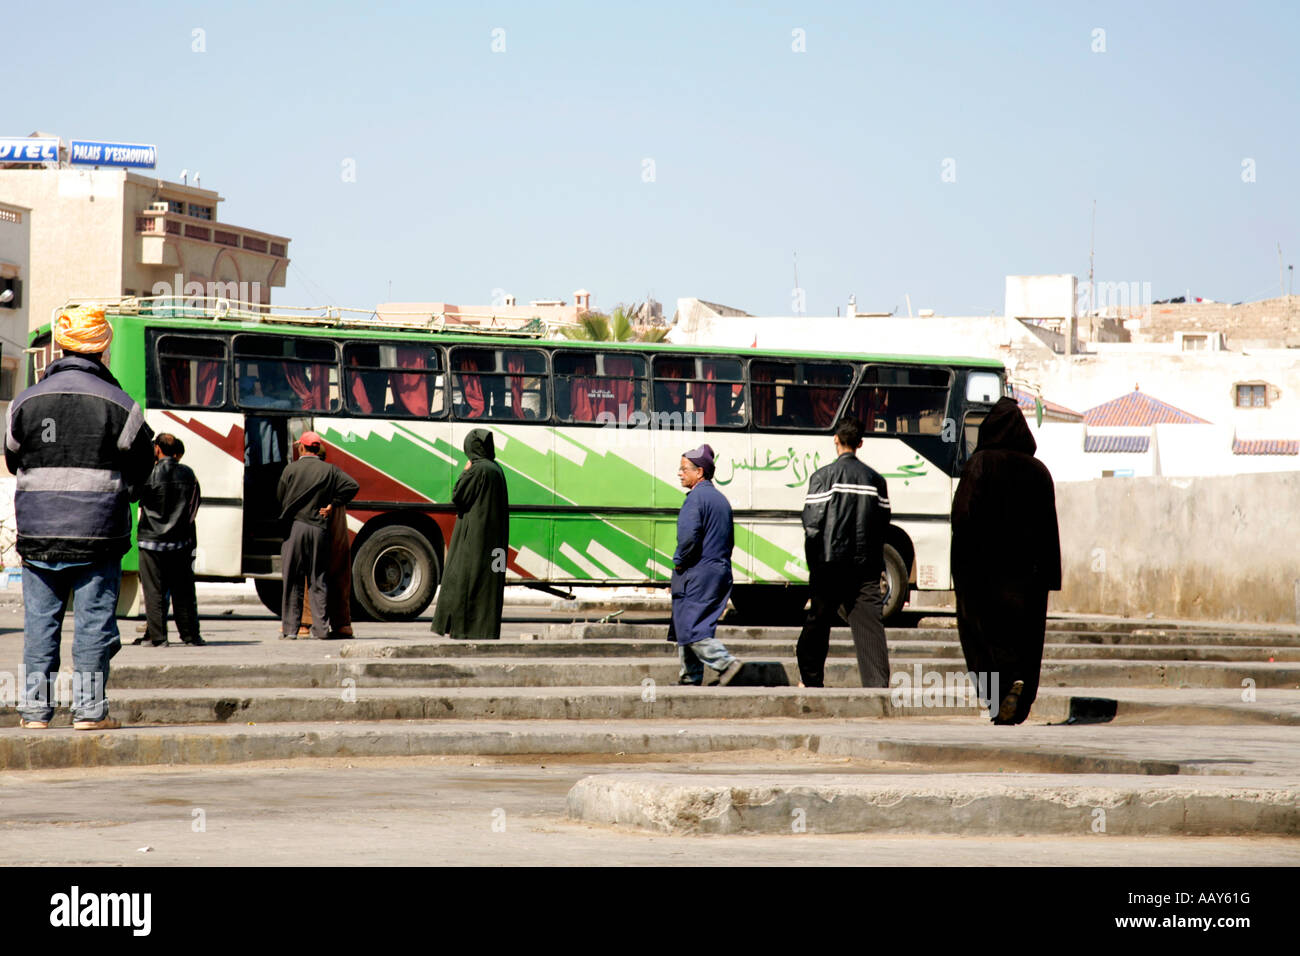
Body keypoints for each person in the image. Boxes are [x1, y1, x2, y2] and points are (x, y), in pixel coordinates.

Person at [5, 305, 155, 730]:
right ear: (102, 348)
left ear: (60, 346)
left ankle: (35, 713)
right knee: (92, 625)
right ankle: (89, 713)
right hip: (98, 535)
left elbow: (14, 461)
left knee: (40, 626)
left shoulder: (25, 401)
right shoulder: (122, 404)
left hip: (37, 533)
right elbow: (142, 472)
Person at [951, 395, 1061, 725]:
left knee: (980, 633)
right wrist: (1050, 576)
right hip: (1029, 577)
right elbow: (1049, 529)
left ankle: (997, 697)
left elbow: (963, 516)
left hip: (984, 572)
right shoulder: (1039, 471)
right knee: (1025, 638)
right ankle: (1018, 693)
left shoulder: (980, 464)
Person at [796, 416, 892, 688]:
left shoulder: (823, 477)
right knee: (870, 628)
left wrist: (815, 565)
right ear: (860, 443)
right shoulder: (876, 480)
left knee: (819, 622)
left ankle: (811, 679)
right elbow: (882, 523)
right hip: (866, 567)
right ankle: (877, 687)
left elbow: (812, 525)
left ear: (836, 440)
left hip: (829, 563)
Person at [668, 444, 742, 686]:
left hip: (698, 573)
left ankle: (726, 663)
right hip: (718, 571)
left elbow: (689, 537)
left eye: (684, 469)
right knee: (688, 623)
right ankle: (690, 677)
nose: (680, 473)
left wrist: (679, 563)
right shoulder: (720, 500)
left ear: (699, 472)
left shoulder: (695, 500)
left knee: (692, 627)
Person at [276, 431, 359, 639]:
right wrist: (332, 504)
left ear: (302, 447)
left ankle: (290, 629)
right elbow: (352, 486)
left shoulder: (291, 469)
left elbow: (280, 496)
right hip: (319, 529)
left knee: (293, 579)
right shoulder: (330, 471)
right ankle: (321, 630)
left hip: (295, 527)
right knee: (318, 579)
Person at [431, 429, 509, 640]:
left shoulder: (478, 470)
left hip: (473, 539)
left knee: (463, 579)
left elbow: (459, 497)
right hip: (493, 541)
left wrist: (465, 471)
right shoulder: (496, 469)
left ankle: (462, 629)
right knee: (486, 584)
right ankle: (485, 629)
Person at [135, 433, 204, 646]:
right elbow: (194, 507)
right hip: (180, 543)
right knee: (183, 591)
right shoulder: (188, 474)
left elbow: (134, 497)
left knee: (154, 591)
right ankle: (190, 636)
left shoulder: (149, 473)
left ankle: (159, 638)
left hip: (150, 541)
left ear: (157, 449)